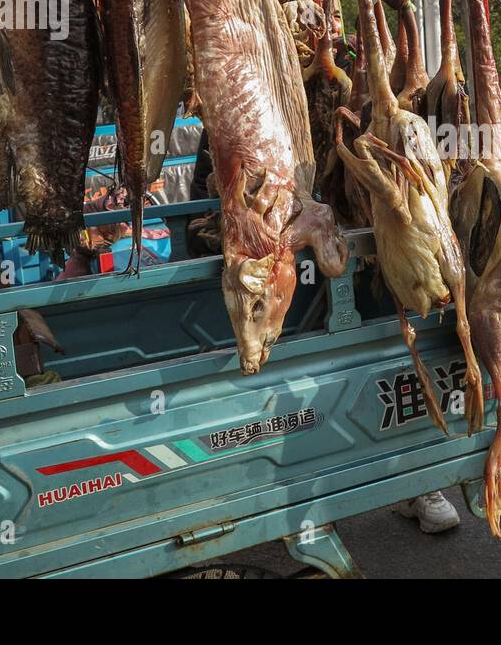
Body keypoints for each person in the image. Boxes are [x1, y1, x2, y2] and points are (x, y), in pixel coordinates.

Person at [189, 132, 463, 534]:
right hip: (284, 281)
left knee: (389, 365)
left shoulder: (345, 117)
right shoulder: (240, 128)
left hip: (360, 258)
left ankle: (421, 482)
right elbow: (204, 206)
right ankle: (304, 498)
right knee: (299, 396)